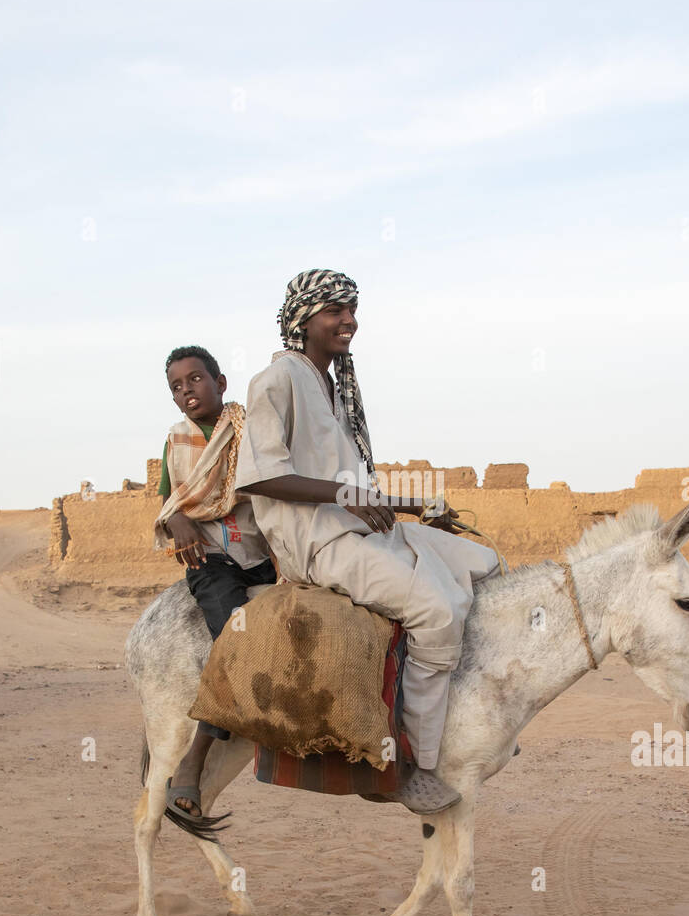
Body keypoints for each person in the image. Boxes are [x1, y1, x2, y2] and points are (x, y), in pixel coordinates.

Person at [235, 269, 501, 814]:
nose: (348, 320)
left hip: (364, 527)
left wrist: (419, 508)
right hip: (320, 544)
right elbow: (259, 476)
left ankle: (464, 711)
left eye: (352, 309)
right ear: (303, 319)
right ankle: (418, 763)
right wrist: (343, 495)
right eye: (335, 310)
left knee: (485, 563)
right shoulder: (275, 380)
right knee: (437, 611)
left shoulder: (334, 386)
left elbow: (354, 487)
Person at [155, 346, 277, 822]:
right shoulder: (177, 440)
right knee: (234, 638)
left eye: (195, 380)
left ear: (220, 383)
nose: (187, 391)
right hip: (210, 558)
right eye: (176, 386)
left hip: (261, 551)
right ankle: (195, 758)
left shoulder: (248, 429)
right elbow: (170, 502)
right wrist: (178, 521)